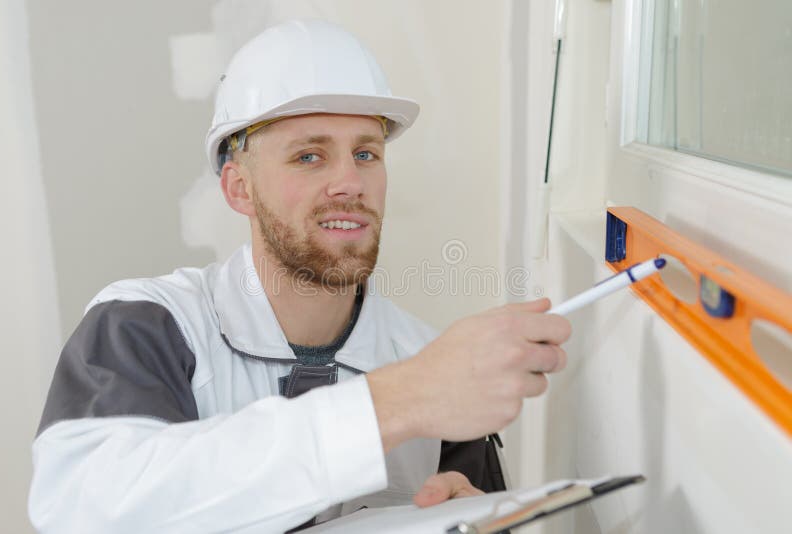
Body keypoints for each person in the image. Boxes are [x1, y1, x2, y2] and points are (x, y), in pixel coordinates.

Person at [29, 19, 570, 533]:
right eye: (310, 156)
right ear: (239, 188)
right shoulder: (147, 327)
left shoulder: (432, 362)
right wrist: (394, 403)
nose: (349, 182)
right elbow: (82, 509)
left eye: (366, 153)